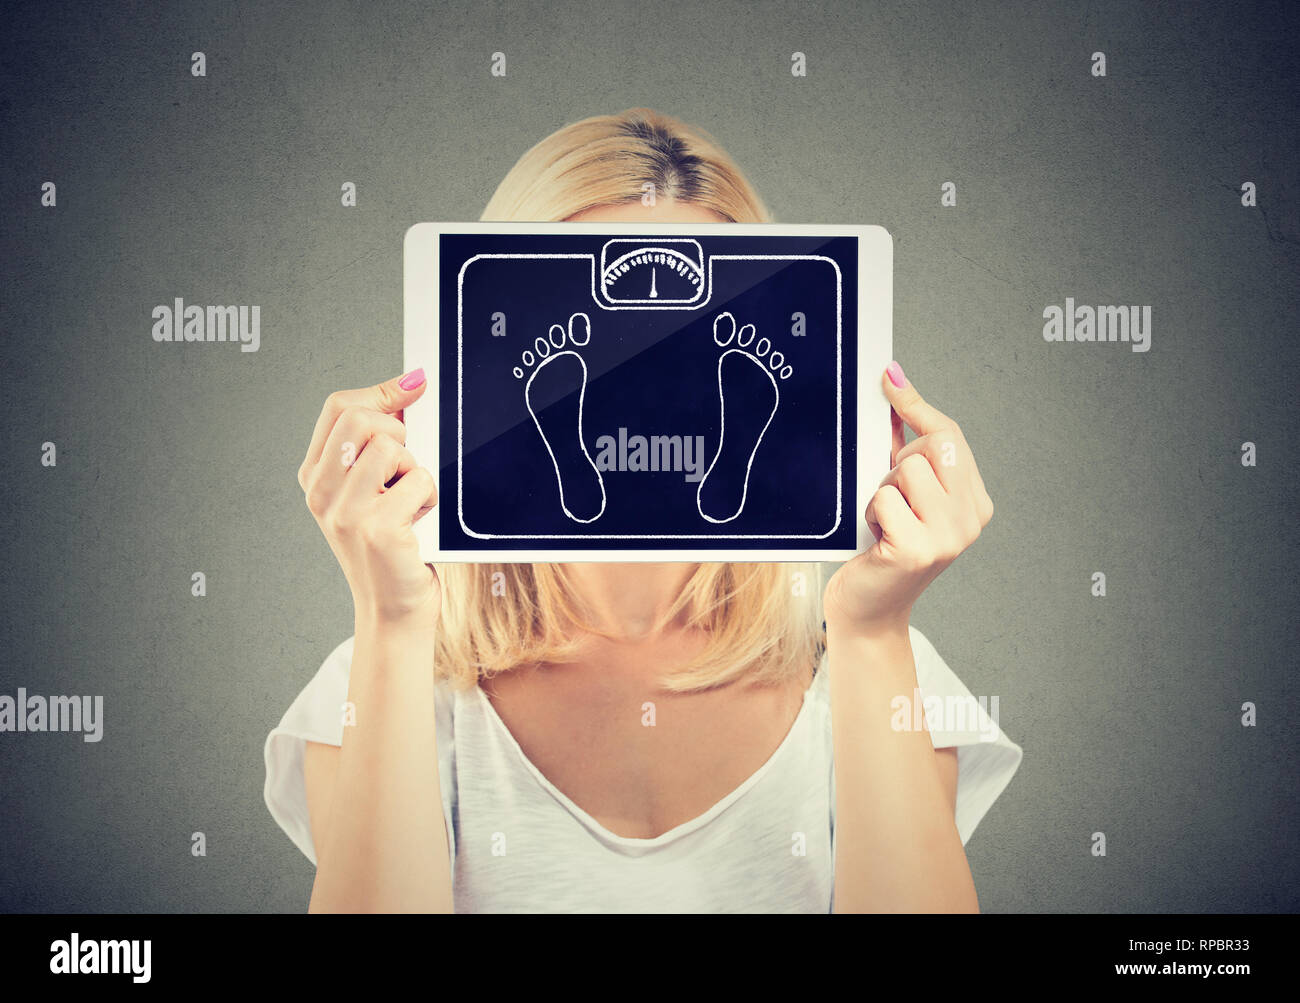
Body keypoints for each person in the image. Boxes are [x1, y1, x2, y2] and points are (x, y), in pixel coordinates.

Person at [264, 108, 1022, 913]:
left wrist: (873, 631)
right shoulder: (378, 680)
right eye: (607, 352)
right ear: (481, 373)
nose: (647, 391)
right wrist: (388, 613)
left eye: (679, 345)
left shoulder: (882, 668)